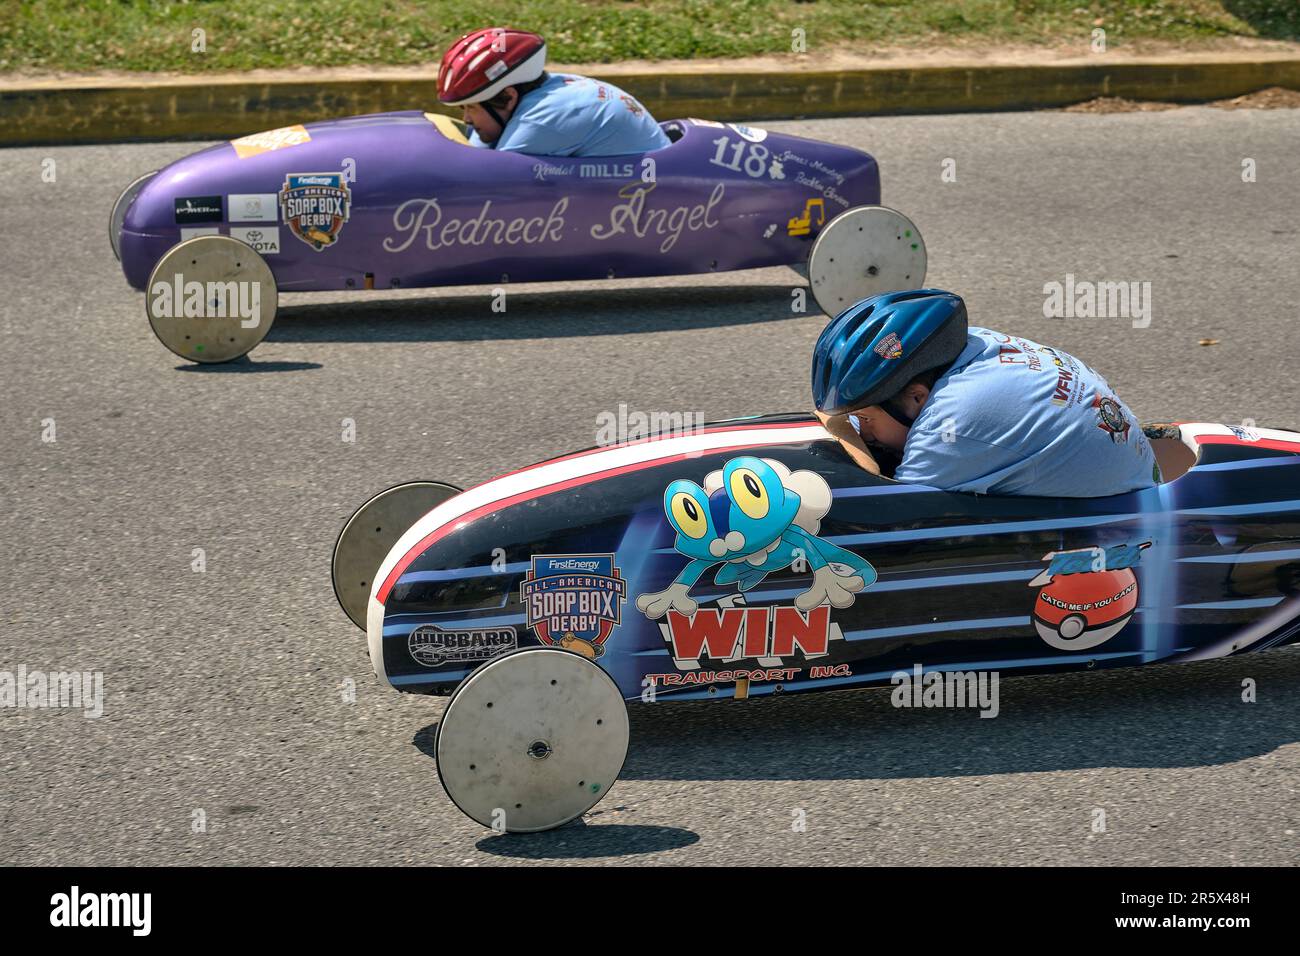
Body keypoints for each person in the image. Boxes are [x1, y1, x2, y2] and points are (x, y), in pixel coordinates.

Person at [811, 289, 1161, 496]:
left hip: (1118, 521)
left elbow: (893, 512)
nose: (863, 431)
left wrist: (837, 428)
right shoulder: (977, 343)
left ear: (917, 397)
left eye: (864, 418)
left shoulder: (947, 427)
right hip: (1130, 472)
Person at [436, 28, 671, 156]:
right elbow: (478, 150)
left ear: (508, 97)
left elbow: (484, 183)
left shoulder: (542, 119)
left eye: (472, 107)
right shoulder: (547, 87)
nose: (466, 119)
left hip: (655, 188)